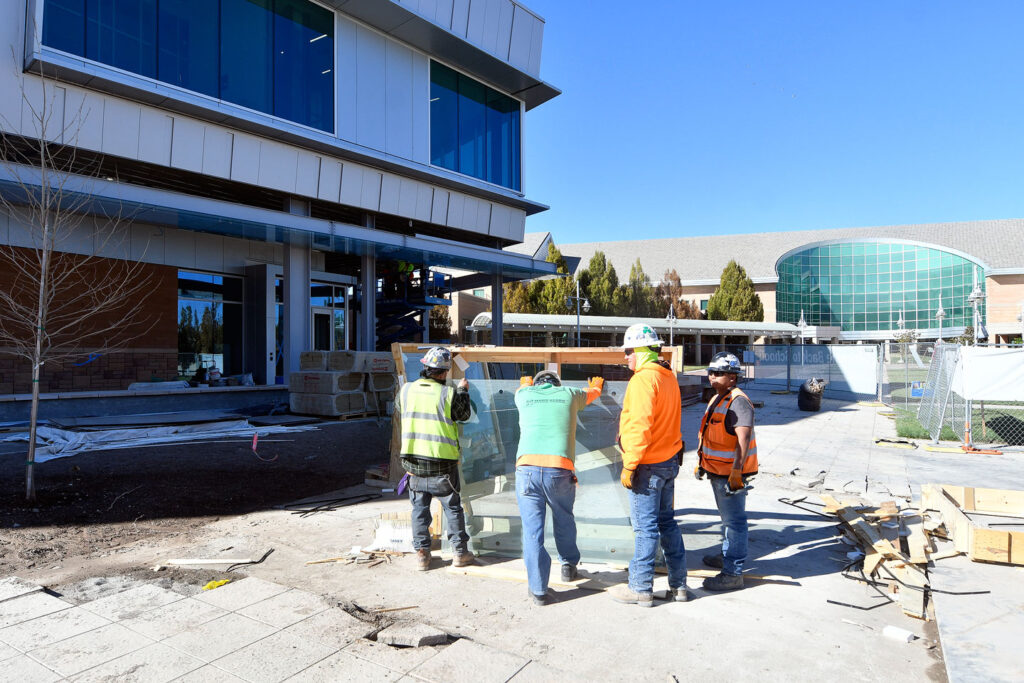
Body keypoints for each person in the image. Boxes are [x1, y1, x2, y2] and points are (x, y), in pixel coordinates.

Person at [610, 324, 689, 607]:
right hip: (668, 462)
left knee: (645, 529)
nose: (626, 357)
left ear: (642, 350)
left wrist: (630, 465)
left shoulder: (643, 380)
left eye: (629, 351)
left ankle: (640, 587)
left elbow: (640, 426)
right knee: (667, 523)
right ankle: (679, 585)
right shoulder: (668, 376)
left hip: (647, 465)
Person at [514, 370, 604, 606]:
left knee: (532, 532)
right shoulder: (570, 394)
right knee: (563, 518)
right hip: (558, 469)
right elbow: (594, 393)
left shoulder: (523, 395)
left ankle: (538, 590)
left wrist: (525, 383)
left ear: (536, 384)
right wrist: (597, 385)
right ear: (557, 383)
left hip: (526, 470)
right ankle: (568, 565)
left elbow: (522, 387)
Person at [397, 347, 475, 571]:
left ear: (425, 367)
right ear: (444, 373)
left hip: (413, 463)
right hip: (442, 464)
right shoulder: (448, 394)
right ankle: (460, 553)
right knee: (452, 509)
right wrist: (463, 392)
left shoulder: (406, 390)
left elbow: (399, 409)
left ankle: (422, 554)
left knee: (419, 510)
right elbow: (464, 415)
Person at [696, 352, 758, 591]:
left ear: (733, 377)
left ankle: (733, 572)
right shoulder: (718, 398)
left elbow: (743, 439)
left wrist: (736, 471)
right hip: (717, 471)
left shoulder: (738, 401)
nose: (712, 377)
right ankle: (726, 555)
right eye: (710, 372)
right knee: (727, 520)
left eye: (718, 374)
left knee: (735, 523)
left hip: (730, 474)